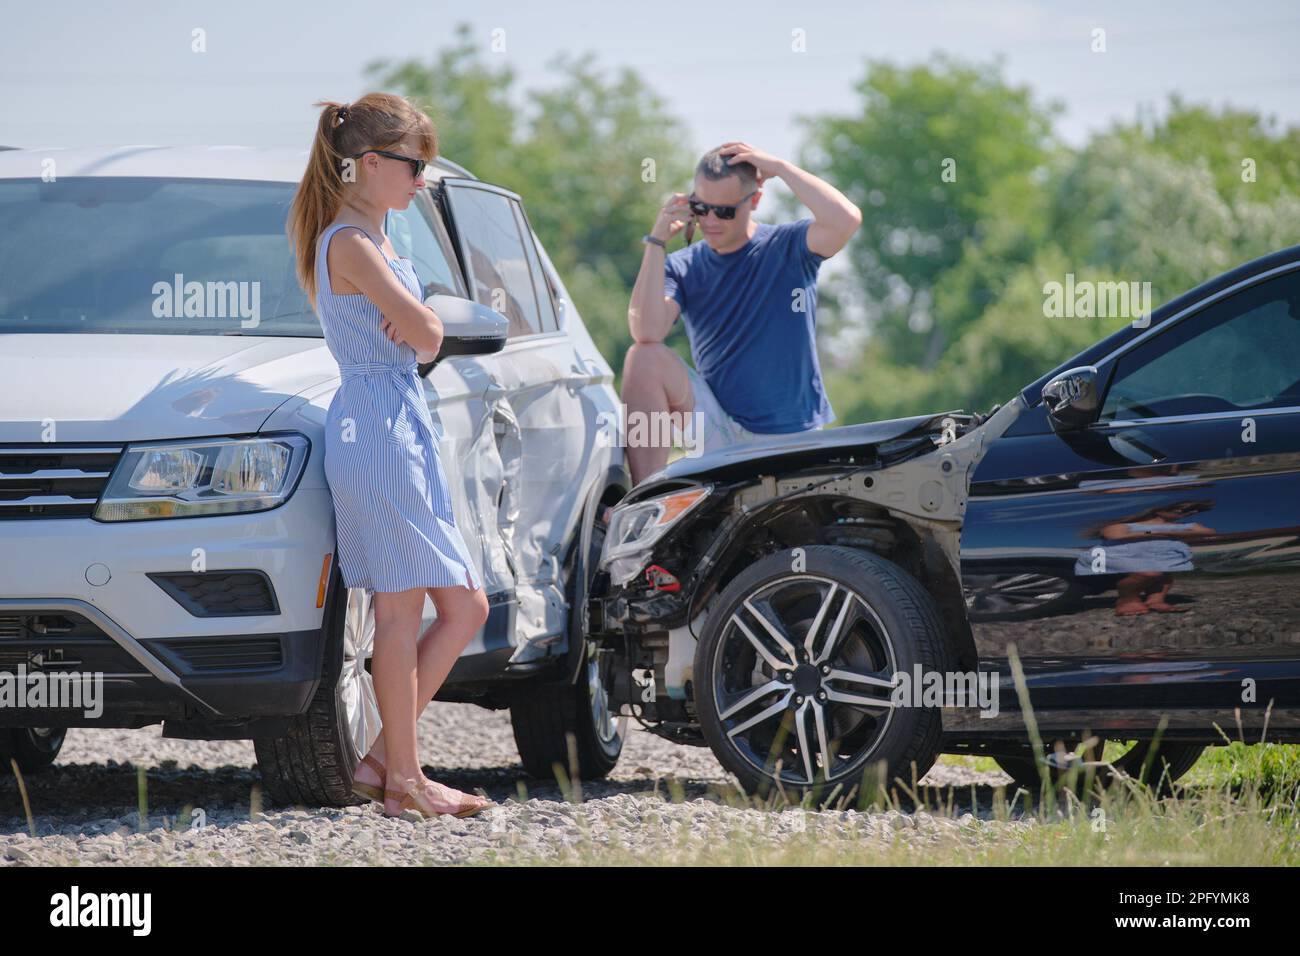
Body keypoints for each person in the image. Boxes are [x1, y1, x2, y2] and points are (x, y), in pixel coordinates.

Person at [287, 92, 492, 819]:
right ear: (370, 164)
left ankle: (383, 761)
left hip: (399, 418)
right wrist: (420, 319)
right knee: (403, 611)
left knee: (464, 604)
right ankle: (404, 779)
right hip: (376, 423)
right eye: (413, 165)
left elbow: (425, 331)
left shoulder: (377, 241)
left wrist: (420, 321)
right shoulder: (349, 243)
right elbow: (427, 333)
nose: (421, 180)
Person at [620, 141, 862, 485]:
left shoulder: (789, 247)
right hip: (719, 430)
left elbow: (846, 220)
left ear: (755, 201)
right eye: (702, 208)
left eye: (725, 211)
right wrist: (656, 242)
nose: (711, 221)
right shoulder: (681, 266)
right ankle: (644, 496)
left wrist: (778, 167)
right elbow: (646, 331)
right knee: (642, 357)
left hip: (790, 438)